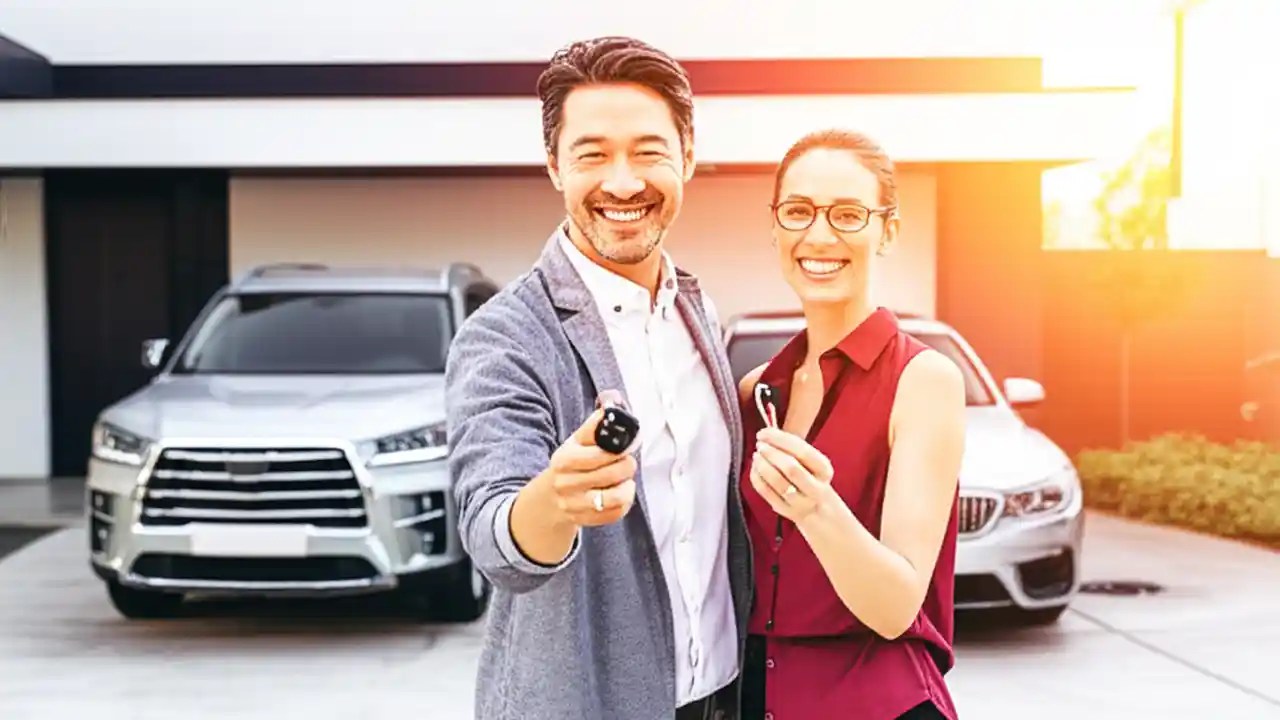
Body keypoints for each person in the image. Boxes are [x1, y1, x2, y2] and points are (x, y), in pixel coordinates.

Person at [445, 36, 752, 720]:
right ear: (555, 166)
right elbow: (495, 533)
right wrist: (556, 498)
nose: (622, 182)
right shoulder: (504, 336)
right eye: (592, 155)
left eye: (648, 152)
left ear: (688, 158)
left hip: (724, 696)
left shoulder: (695, 308)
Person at [736, 129, 967, 720]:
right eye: (798, 212)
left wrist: (816, 507)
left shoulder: (924, 381)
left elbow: (896, 606)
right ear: (774, 227)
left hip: (878, 703)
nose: (819, 235)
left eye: (847, 214)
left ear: (886, 230)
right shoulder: (759, 389)